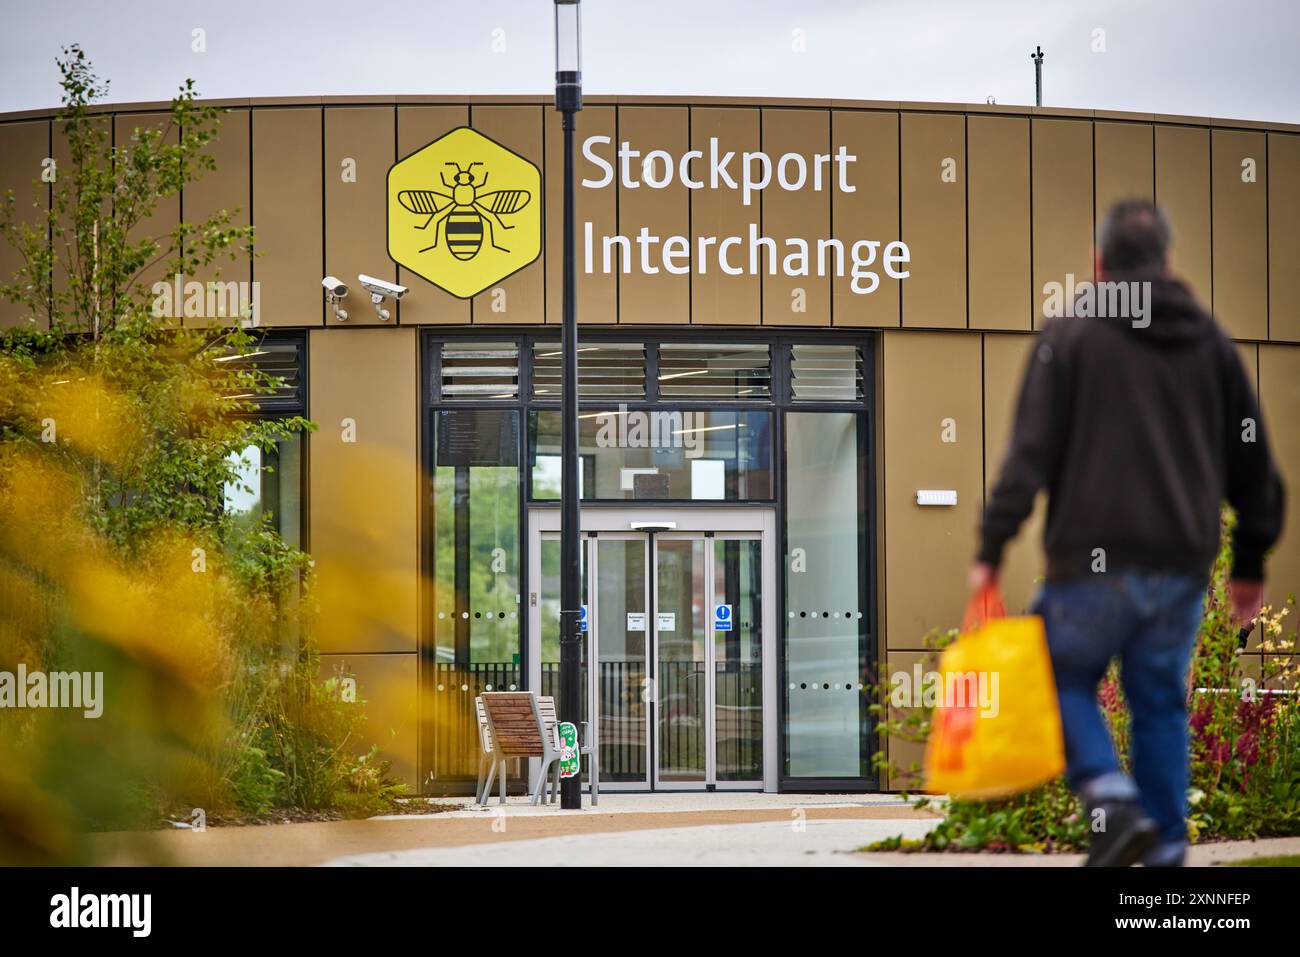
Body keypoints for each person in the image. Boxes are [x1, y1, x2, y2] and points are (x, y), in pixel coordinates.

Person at [971, 199, 1285, 867]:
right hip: (1179, 566)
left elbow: (1028, 456)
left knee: (1056, 672)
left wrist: (990, 549)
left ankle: (1109, 796)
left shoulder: (1072, 335)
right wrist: (1250, 561)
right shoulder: (1212, 345)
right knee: (1160, 706)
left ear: (1098, 262)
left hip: (1088, 562)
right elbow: (1254, 463)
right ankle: (1165, 859)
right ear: (1168, 262)